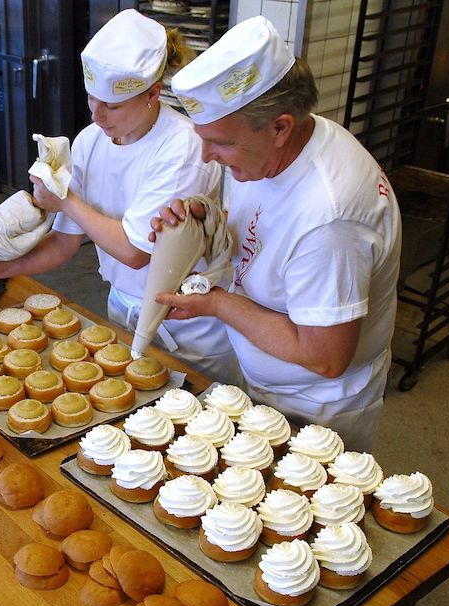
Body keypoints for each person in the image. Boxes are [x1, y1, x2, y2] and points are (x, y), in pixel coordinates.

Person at [0, 9, 242, 385]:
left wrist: (66, 200)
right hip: (121, 308)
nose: (98, 115)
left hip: (189, 330)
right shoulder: (90, 142)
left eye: (113, 105)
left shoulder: (183, 147)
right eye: (91, 99)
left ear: (153, 93)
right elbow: (66, 243)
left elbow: (135, 252)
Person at [152, 16, 402, 451]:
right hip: (265, 385)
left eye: (220, 143)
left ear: (280, 126)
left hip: (317, 407)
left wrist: (217, 304)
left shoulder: (331, 218)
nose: (207, 155)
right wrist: (205, 223)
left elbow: (324, 356)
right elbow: (264, 231)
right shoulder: (280, 148)